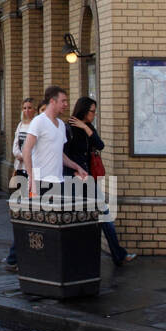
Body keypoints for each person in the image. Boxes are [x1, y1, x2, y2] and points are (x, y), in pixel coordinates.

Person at [64, 97, 136, 266]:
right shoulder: (69, 129)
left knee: (103, 216)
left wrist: (86, 128)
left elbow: (100, 145)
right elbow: (63, 154)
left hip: (88, 179)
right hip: (75, 179)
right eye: (92, 111)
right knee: (87, 217)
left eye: (95, 111)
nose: (94, 114)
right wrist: (73, 171)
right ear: (83, 110)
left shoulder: (87, 127)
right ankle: (111, 255)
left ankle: (118, 254)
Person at [22, 86, 84, 195]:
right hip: (41, 181)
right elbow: (26, 150)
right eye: (63, 101)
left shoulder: (61, 125)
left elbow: (60, 153)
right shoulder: (39, 121)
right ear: (52, 101)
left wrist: (77, 167)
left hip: (58, 181)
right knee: (40, 212)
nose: (66, 104)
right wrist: (31, 177)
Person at [4, 97, 36, 270]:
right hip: (20, 170)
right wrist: (20, 155)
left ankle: (15, 256)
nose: (27, 110)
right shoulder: (20, 125)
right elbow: (15, 145)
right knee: (19, 211)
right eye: (24, 107)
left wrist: (27, 156)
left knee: (26, 211)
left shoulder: (36, 125)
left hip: (32, 172)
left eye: (30, 107)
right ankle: (14, 256)